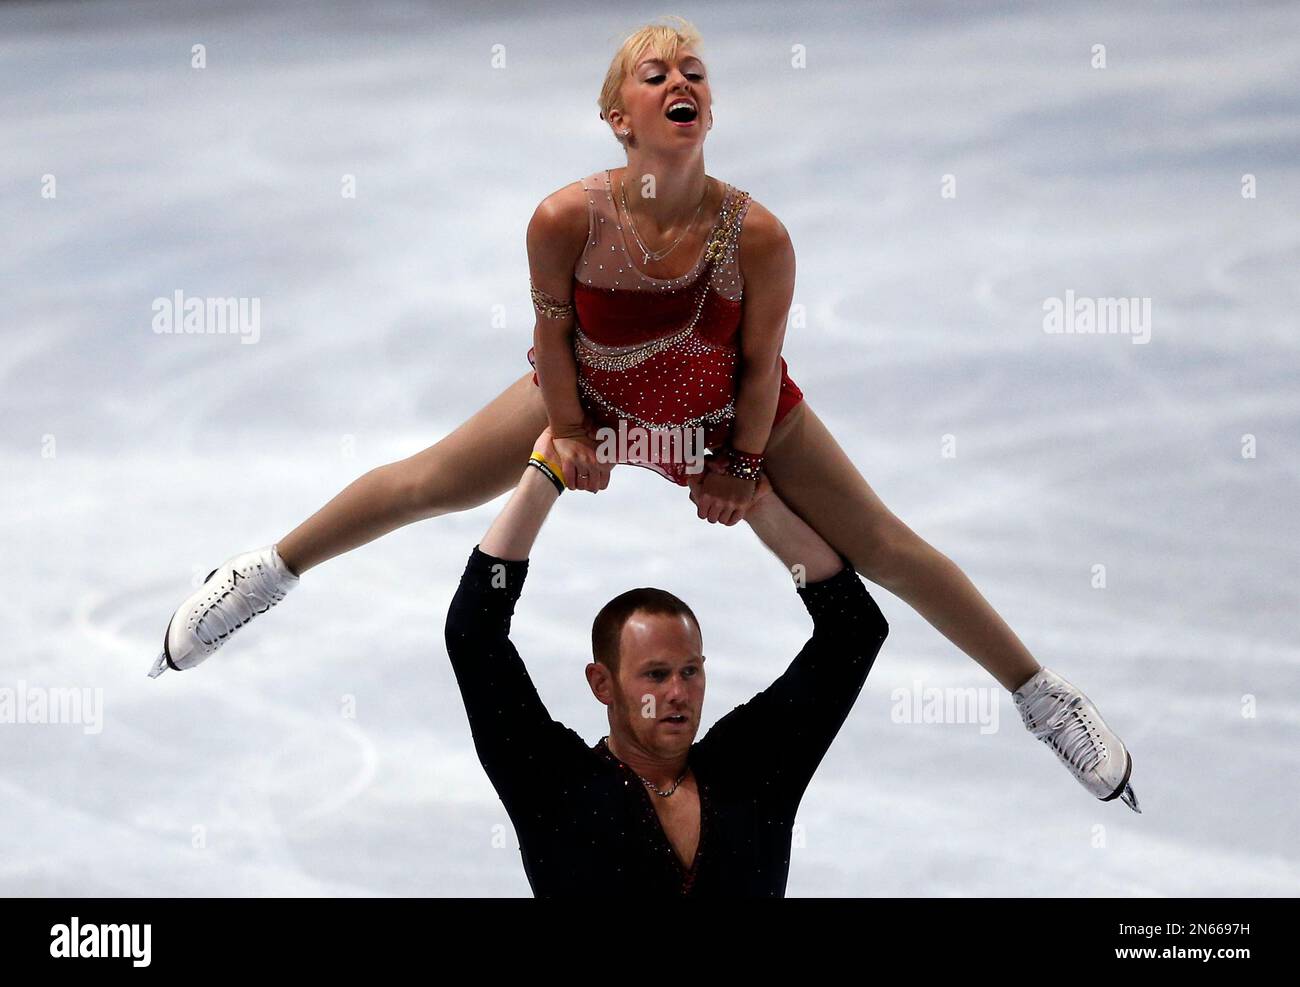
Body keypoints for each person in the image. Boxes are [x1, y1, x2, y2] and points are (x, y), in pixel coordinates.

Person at [147, 17, 1138, 812]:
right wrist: (573, 433)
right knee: (426, 484)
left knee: (881, 542)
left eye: (695, 72)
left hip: (725, 409)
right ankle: (263, 575)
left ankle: (1042, 696)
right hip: (592, 391)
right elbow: (548, 330)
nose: (682, 84)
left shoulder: (757, 234)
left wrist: (742, 465)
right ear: (619, 116)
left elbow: (759, 365)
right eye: (656, 73)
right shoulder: (564, 219)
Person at [445, 427, 887, 896]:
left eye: (690, 671)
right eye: (656, 675)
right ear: (602, 684)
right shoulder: (556, 785)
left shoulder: (749, 771)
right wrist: (544, 476)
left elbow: (854, 632)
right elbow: (473, 634)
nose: (678, 693)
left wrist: (758, 505)